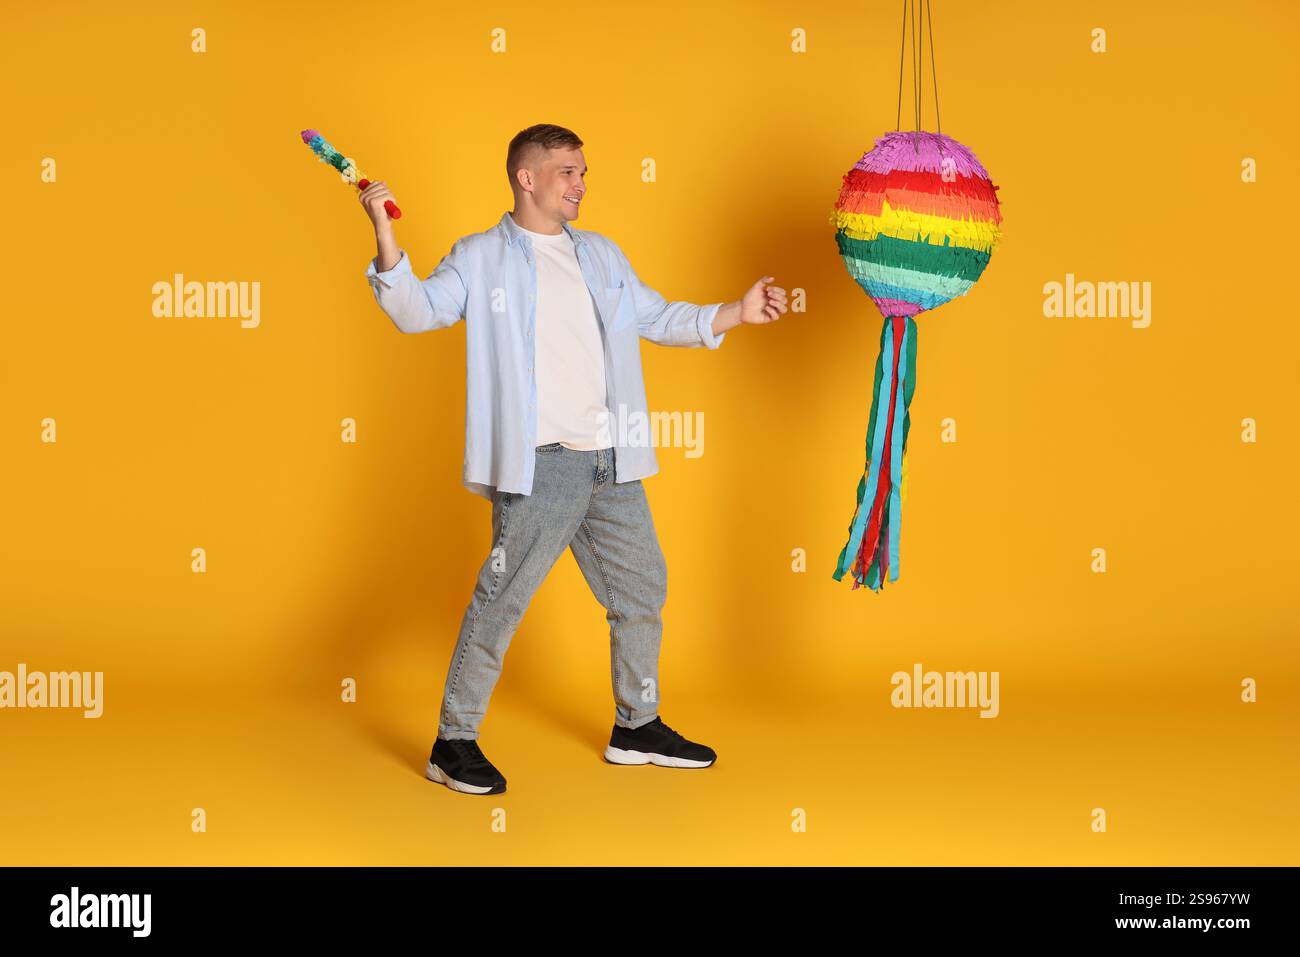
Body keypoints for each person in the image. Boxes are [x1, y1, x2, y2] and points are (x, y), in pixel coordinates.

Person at [361, 123, 787, 795]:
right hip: (541, 465)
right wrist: (386, 235)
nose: (581, 183)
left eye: (583, 172)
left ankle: (636, 725)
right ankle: (453, 742)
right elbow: (417, 312)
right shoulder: (479, 257)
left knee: (642, 589)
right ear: (527, 178)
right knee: (502, 600)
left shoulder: (602, 255)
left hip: (610, 459)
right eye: (567, 171)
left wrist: (735, 311)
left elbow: (655, 316)